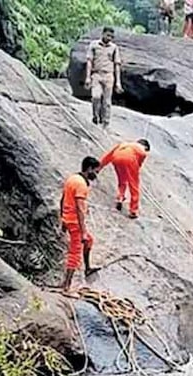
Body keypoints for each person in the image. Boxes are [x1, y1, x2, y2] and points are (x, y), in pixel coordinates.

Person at [60, 157, 101, 291]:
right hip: (75, 222)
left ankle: (87, 268)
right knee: (75, 253)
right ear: (89, 169)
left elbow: (63, 199)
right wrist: (83, 231)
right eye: (95, 171)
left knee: (89, 241)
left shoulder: (72, 179)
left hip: (68, 218)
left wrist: (62, 219)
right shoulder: (81, 185)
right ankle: (66, 284)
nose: (96, 175)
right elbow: (79, 209)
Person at [98, 139, 151, 219]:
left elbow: (108, 156)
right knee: (134, 185)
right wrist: (132, 174)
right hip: (130, 159)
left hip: (116, 157)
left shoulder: (124, 144)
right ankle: (133, 210)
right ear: (146, 147)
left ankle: (120, 197)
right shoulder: (143, 151)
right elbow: (138, 165)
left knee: (122, 180)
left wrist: (99, 167)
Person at [84, 27, 122, 127]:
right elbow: (89, 61)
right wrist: (88, 77)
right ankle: (95, 116)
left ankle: (105, 122)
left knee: (107, 101)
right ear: (103, 34)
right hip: (96, 74)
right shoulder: (94, 45)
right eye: (108, 35)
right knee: (95, 96)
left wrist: (118, 82)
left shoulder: (114, 48)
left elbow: (117, 64)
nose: (109, 38)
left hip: (109, 75)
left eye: (111, 37)